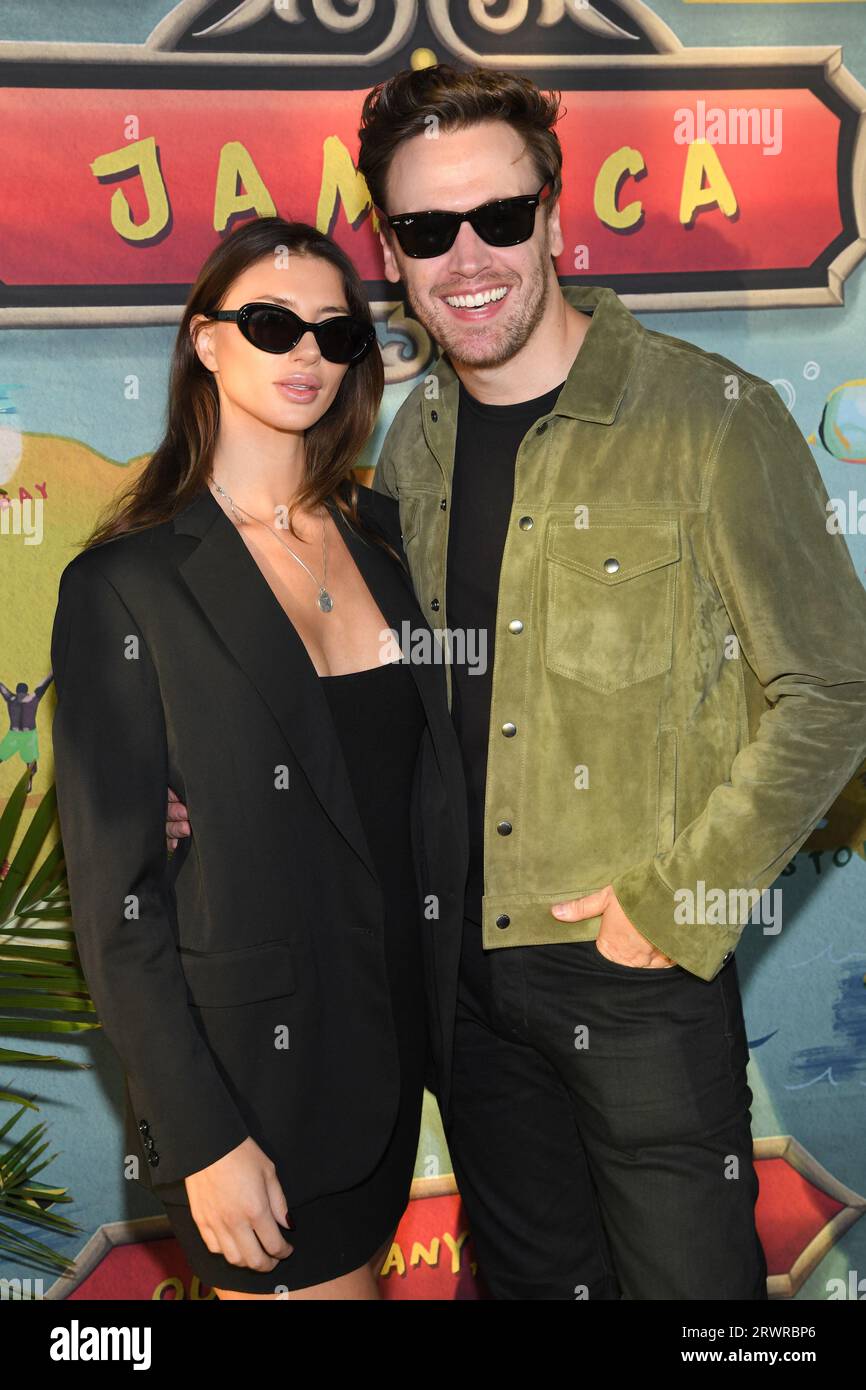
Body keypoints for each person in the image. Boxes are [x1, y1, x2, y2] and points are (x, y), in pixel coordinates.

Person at [168, 67, 866, 1300]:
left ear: (552, 212)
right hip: (460, 991)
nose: (468, 257)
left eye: (498, 216)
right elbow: (382, 696)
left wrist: (676, 899)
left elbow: (836, 686)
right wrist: (204, 791)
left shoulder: (708, 417)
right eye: (427, 231)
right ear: (393, 252)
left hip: (636, 975)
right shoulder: (414, 438)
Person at [50, 215, 469, 1300]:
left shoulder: (388, 539)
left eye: (335, 335)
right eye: (272, 323)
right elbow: (117, 908)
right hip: (261, 1089)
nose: (306, 356)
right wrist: (199, 1137)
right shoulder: (128, 586)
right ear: (204, 339)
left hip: (419, 1054)